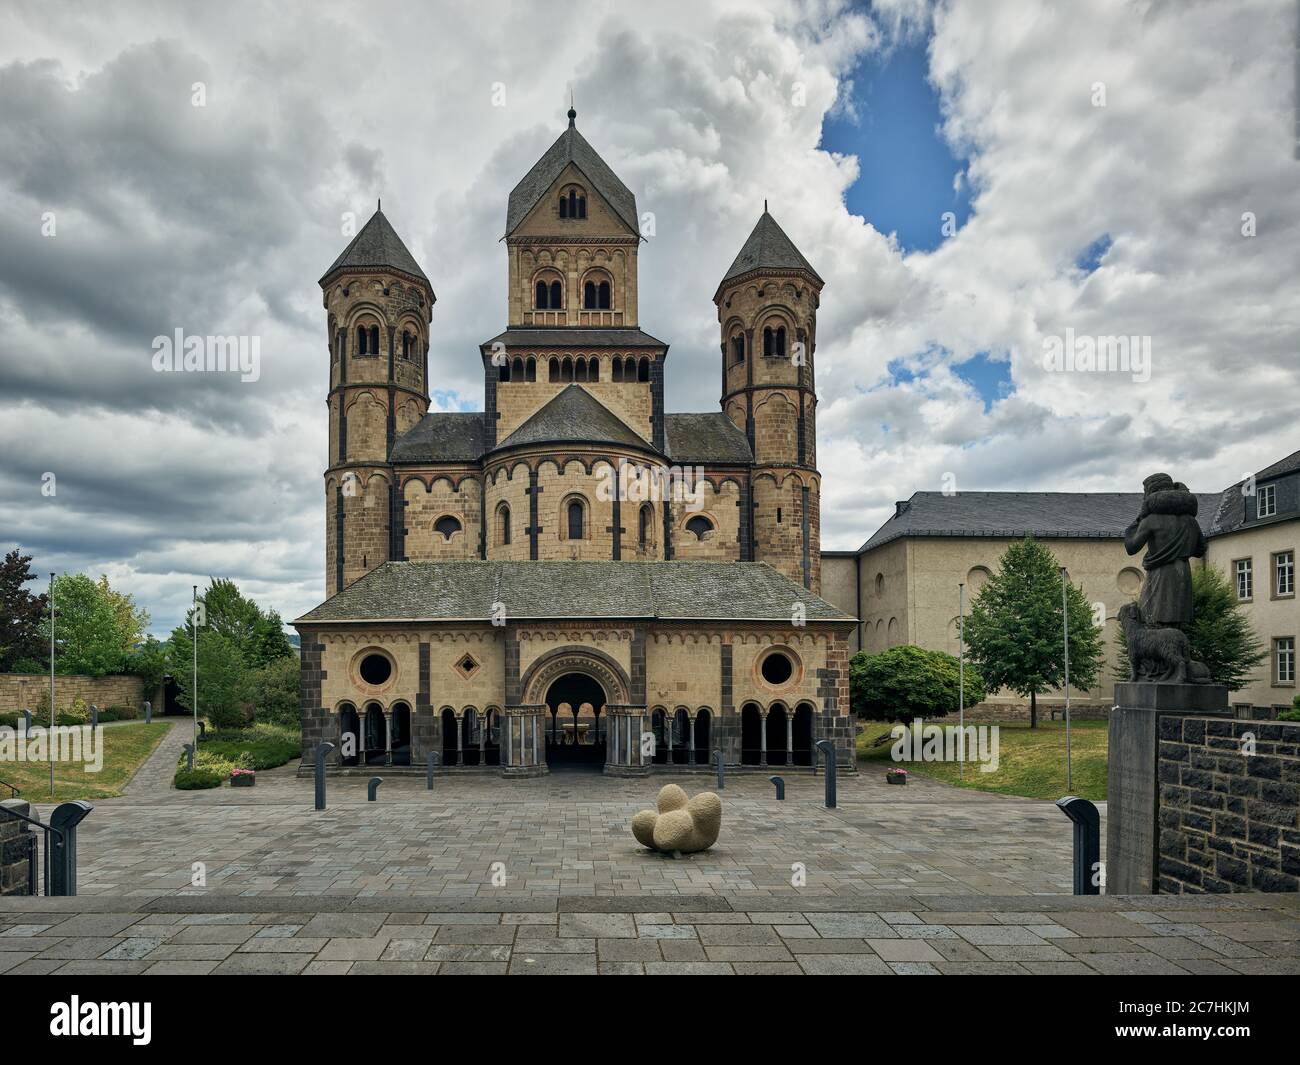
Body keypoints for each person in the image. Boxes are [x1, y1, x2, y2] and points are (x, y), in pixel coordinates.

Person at [1123, 473, 1207, 627]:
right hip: (1183, 573)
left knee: (1153, 619)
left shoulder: (1151, 519)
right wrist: (1181, 546)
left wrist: (1138, 519)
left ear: (1150, 491)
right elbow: (1200, 549)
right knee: (1177, 624)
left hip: (1161, 574)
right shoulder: (1190, 520)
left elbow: (1131, 547)